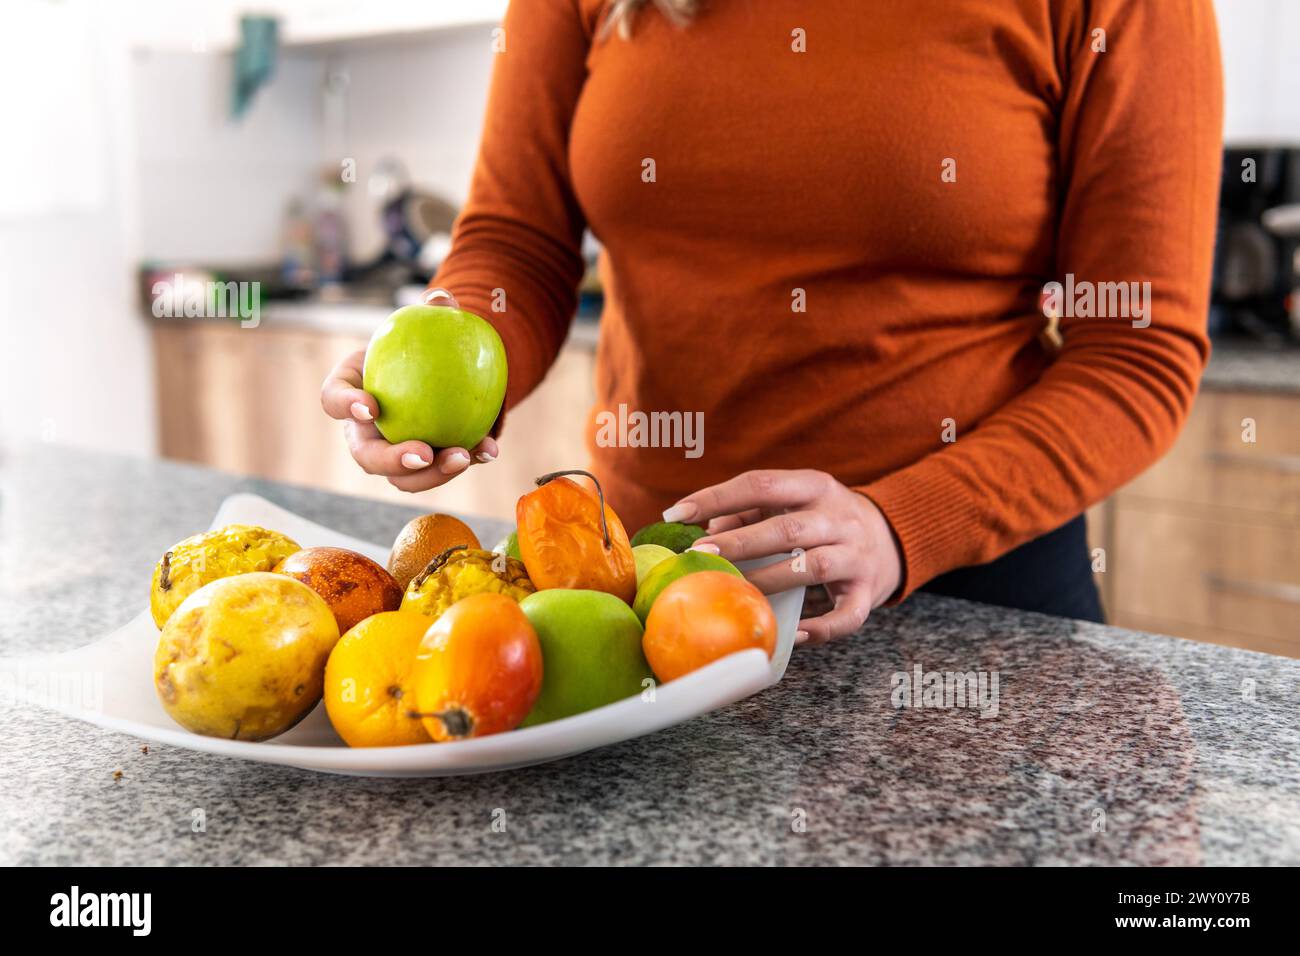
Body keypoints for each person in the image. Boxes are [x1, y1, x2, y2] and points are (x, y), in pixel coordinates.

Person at [322, 0, 1223, 644]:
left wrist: (897, 523)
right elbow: (518, 243)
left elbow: (1137, 351)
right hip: (645, 599)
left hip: (973, 611)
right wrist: (461, 346)